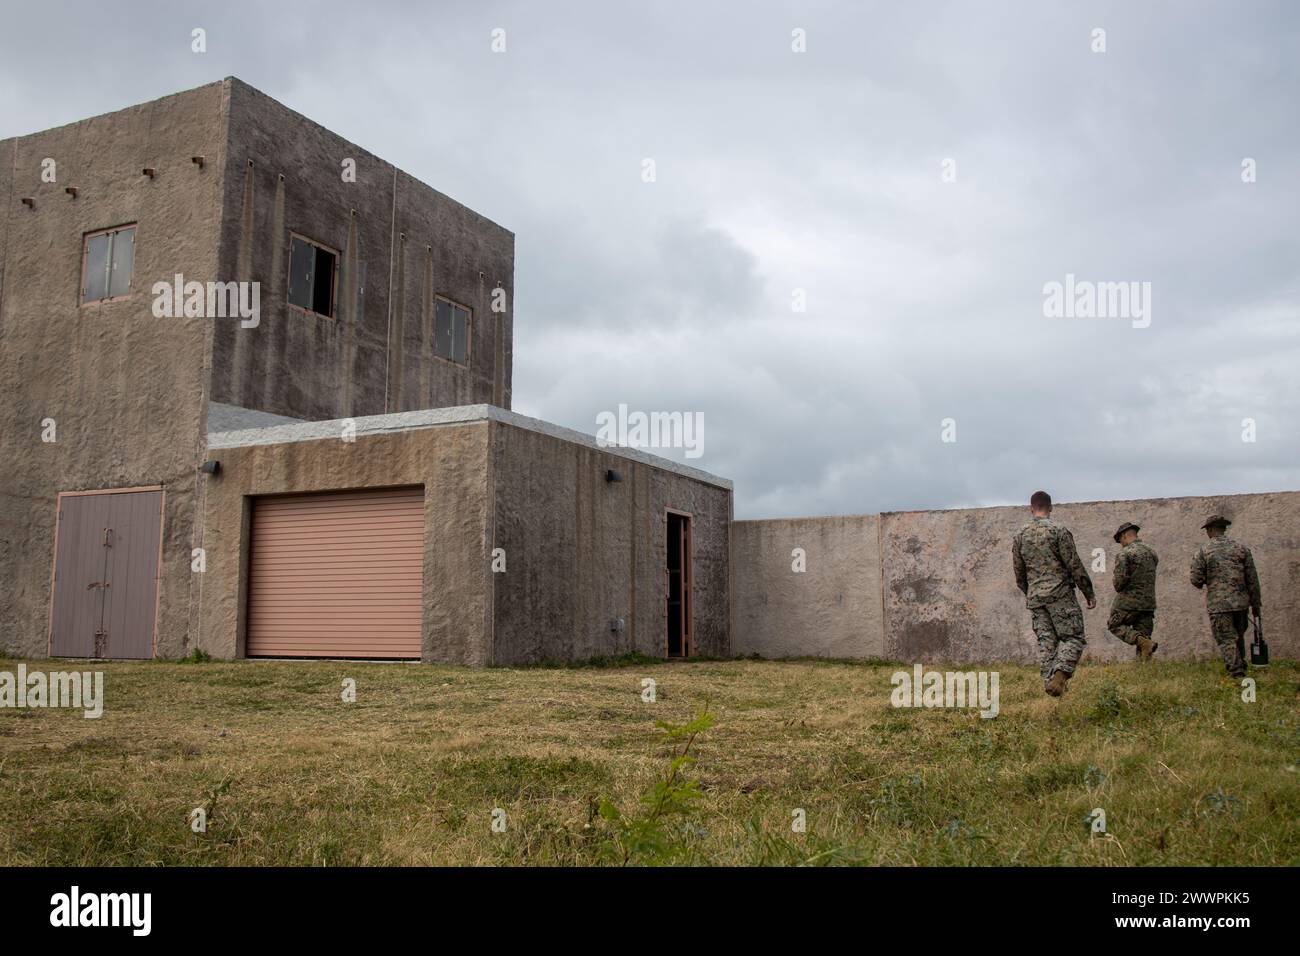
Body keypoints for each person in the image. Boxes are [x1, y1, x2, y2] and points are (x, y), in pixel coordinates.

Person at [1012, 490, 1096, 697]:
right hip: (1060, 595)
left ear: (1031, 508)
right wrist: (1088, 592)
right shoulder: (1059, 531)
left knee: (1047, 644)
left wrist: (1030, 592)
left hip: (1036, 598)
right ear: (1050, 507)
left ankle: (1051, 688)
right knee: (1073, 637)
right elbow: (1074, 565)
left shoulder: (1020, 535)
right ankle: (1060, 677)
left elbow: (1019, 572)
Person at [1189, 515, 1261, 679]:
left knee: (1226, 638)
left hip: (1219, 605)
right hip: (1241, 604)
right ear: (1224, 529)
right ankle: (1241, 665)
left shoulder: (1204, 551)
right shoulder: (1241, 548)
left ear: (1210, 530)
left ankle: (1236, 672)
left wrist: (1208, 580)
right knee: (1238, 636)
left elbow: (1195, 579)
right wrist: (1256, 604)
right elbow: (1252, 579)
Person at [1108, 521, 1158, 661]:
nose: (1121, 544)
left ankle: (1144, 643)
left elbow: (1119, 583)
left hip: (1129, 602)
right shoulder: (1151, 552)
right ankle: (1143, 672)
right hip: (1148, 602)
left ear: (1124, 536)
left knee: (1114, 624)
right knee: (1144, 634)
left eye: (1120, 541)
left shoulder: (1125, 553)